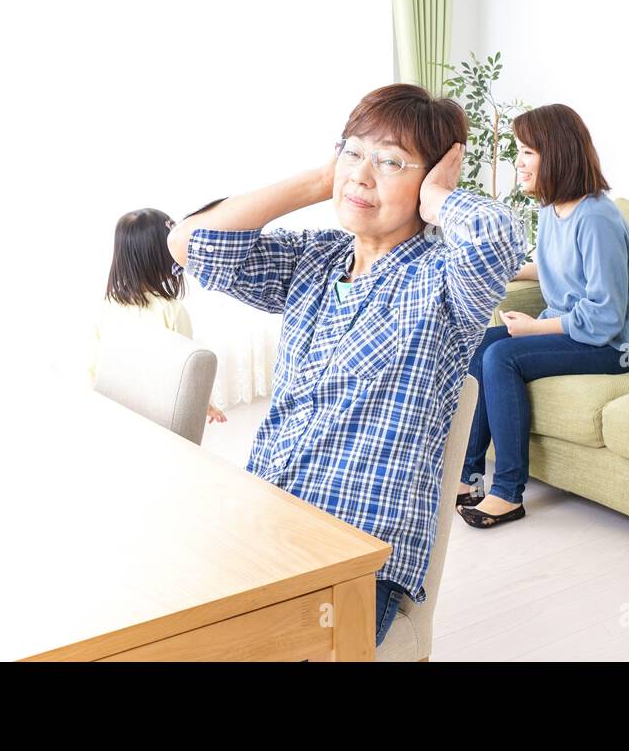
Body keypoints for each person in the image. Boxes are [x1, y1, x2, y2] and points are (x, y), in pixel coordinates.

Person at [166, 84, 527, 647]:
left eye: (390, 162)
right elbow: (191, 243)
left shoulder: (445, 282)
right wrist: (324, 177)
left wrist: (436, 201)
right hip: (265, 523)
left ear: (434, 179)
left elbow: (499, 239)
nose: (363, 174)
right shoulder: (317, 256)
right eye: (353, 151)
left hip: (350, 567)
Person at [456, 103, 629, 528]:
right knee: (481, 345)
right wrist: (510, 269)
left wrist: (533, 328)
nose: (519, 162)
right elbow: (557, 269)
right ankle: (467, 475)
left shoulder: (597, 217)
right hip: (576, 329)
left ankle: (508, 493)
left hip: (616, 343)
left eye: (527, 152)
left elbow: (604, 314)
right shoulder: (551, 209)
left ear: (558, 153)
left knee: (502, 356)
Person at [88, 207, 227, 424]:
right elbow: (185, 378)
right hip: (158, 422)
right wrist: (204, 405)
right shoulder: (172, 311)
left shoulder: (106, 306)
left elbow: (92, 370)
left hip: (110, 414)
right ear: (162, 256)